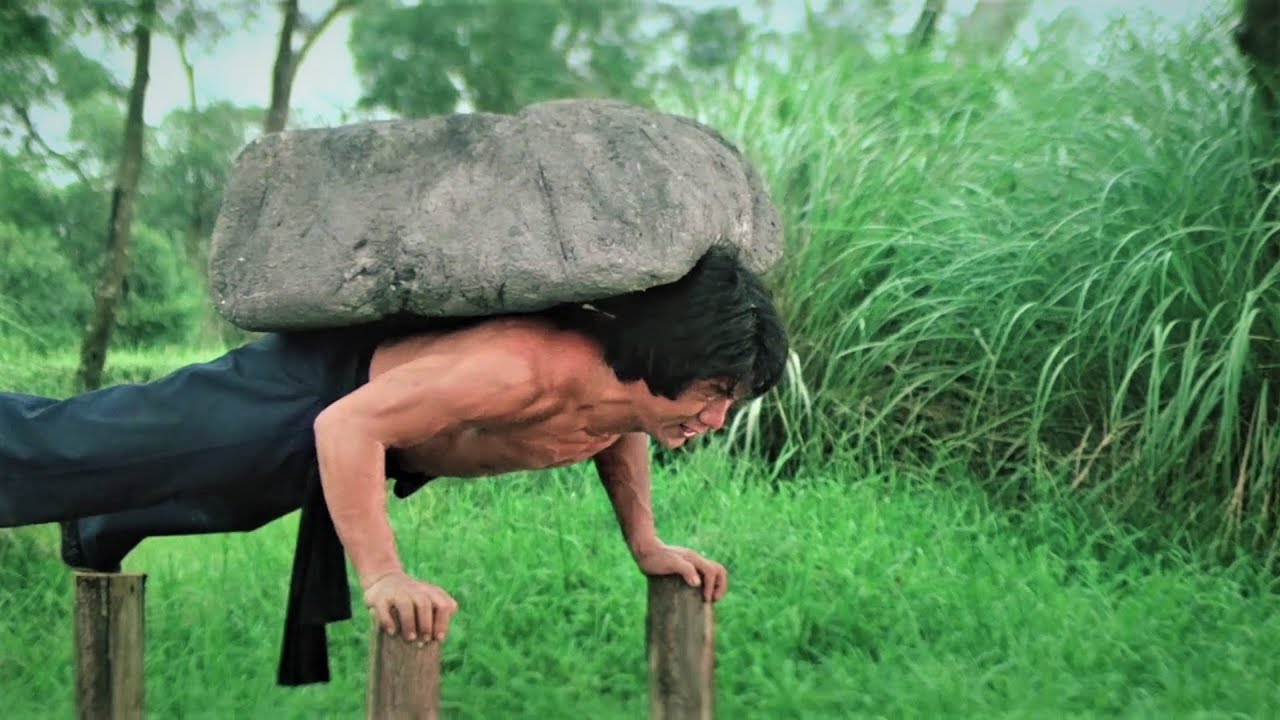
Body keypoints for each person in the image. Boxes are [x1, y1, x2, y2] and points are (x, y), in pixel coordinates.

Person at [0, 244, 789, 683]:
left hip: (380, 436)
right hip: (309, 390)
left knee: (231, 501)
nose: (716, 419)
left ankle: (99, 523)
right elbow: (347, 428)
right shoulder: (522, 366)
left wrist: (646, 544)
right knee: (82, 443)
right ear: (670, 355)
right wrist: (383, 574)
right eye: (715, 391)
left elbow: (616, 435)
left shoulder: (632, 398)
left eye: (733, 401)